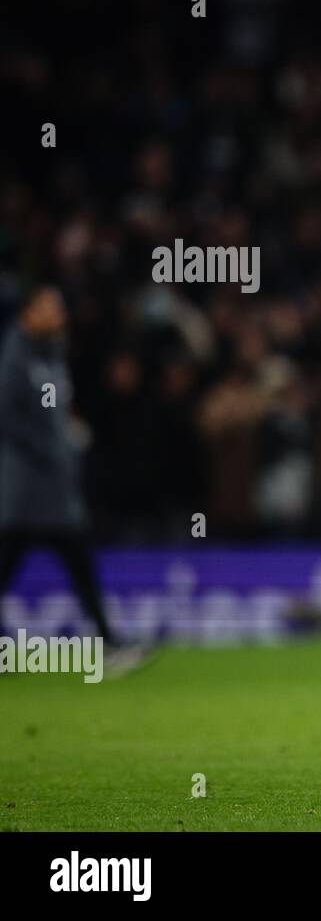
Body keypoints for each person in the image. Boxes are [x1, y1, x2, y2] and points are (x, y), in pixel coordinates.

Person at [0, 284, 147, 675]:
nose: (58, 313)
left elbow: (52, 410)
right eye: (49, 306)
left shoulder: (53, 356)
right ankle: (110, 641)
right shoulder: (15, 357)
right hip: (22, 494)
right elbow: (7, 417)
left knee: (82, 568)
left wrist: (68, 433)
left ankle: (110, 641)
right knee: (13, 567)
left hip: (57, 494)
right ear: (27, 314)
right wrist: (48, 447)